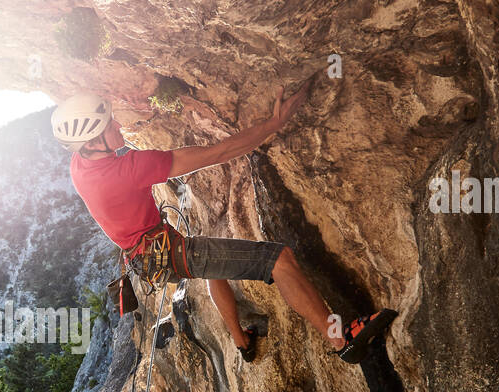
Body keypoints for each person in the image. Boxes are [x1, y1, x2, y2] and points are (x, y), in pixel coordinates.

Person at [52, 87, 396, 364]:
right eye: (110, 125)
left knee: (212, 267)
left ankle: (240, 339)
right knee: (280, 260)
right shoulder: (130, 168)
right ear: (93, 140)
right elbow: (216, 153)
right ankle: (341, 339)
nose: (118, 127)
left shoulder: (79, 166)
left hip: (147, 262)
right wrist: (273, 124)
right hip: (171, 254)